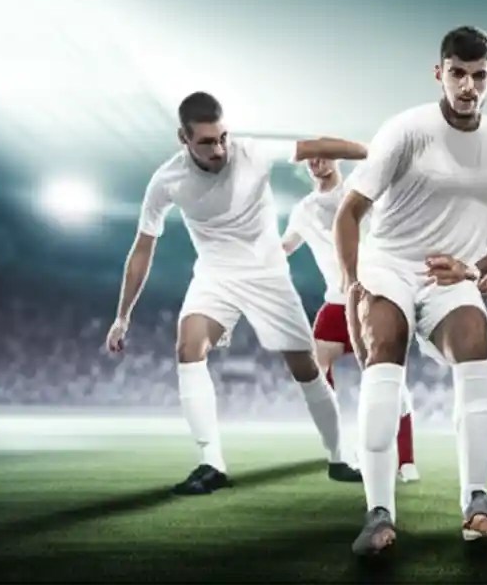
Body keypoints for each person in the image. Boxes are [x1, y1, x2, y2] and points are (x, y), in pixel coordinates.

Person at [334, 26, 487, 556]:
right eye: (457, 73)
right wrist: (350, 284)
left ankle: (475, 503)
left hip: (451, 276)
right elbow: (349, 212)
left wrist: (473, 267)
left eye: (479, 76)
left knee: (475, 339)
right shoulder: (404, 132)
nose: (468, 85)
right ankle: (379, 512)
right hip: (387, 264)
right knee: (385, 346)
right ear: (440, 73)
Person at [105, 92, 367, 495]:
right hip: (216, 277)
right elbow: (143, 247)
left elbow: (319, 147)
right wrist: (123, 315)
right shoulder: (166, 181)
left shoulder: (252, 152)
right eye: (207, 141)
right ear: (183, 138)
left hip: (267, 275)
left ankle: (339, 456)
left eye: (223, 137)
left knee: (306, 368)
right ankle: (211, 463)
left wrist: (377, 155)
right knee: (188, 347)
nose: (219, 148)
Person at [282, 158, 416, 483]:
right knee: (315, 364)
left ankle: (406, 459)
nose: (317, 163)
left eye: (323, 155)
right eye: (310, 158)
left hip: (371, 295)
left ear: (335, 157)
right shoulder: (303, 210)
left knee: (388, 379)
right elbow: (284, 246)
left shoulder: (360, 192)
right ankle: (340, 452)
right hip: (335, 301)